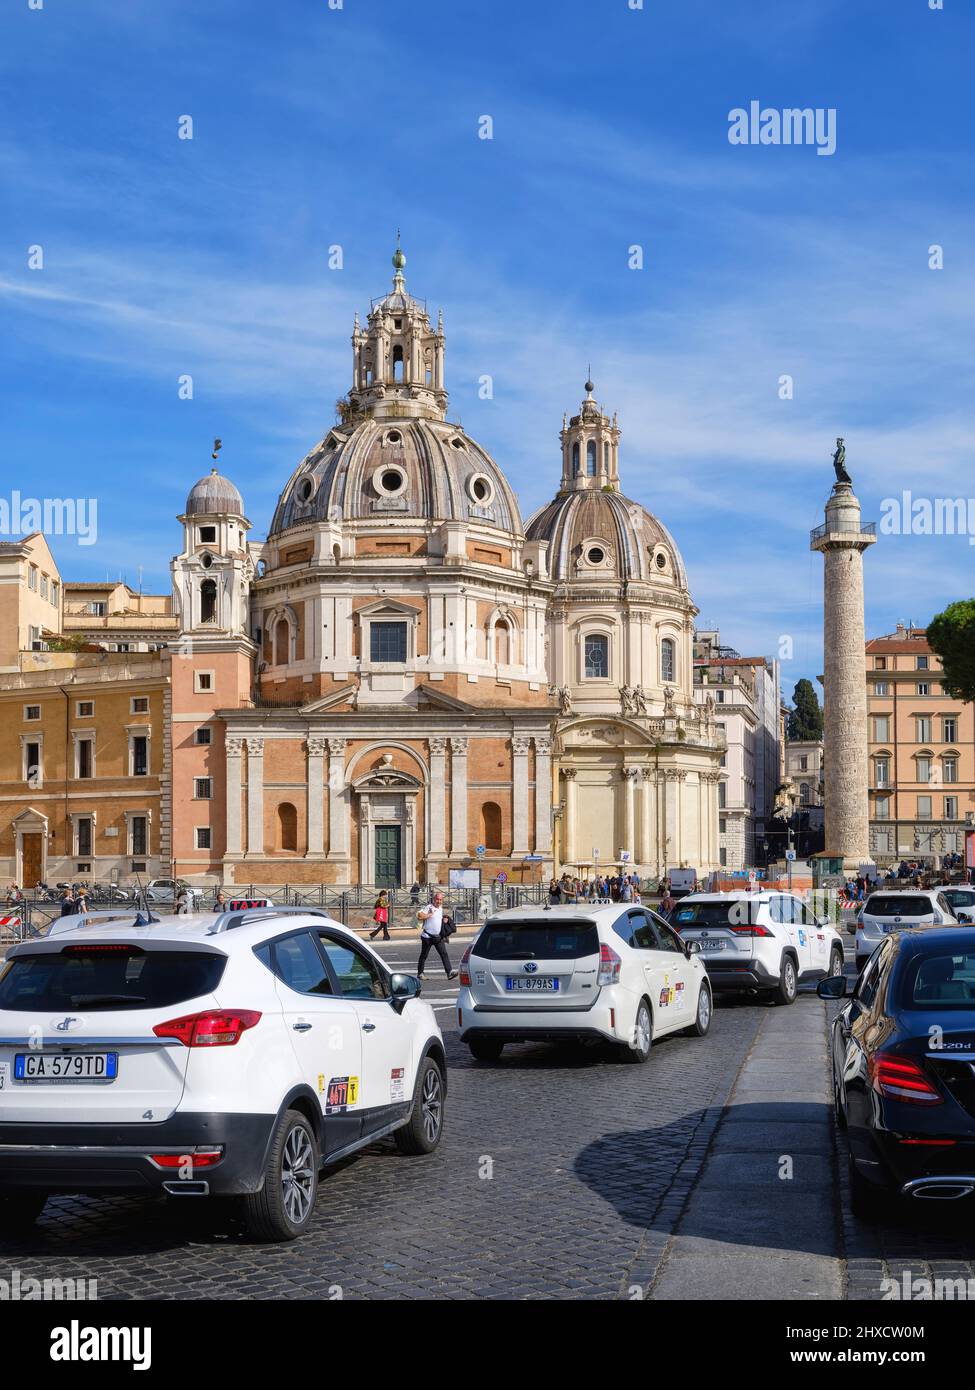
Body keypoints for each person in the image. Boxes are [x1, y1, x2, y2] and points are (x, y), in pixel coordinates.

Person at [416, 892, 457, 980]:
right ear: (434, 900)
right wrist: (429, 915)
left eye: (440, 899)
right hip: (427, 937)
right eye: (437, 899)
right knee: (424, 955)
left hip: (437, 937)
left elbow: (437, 919)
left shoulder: (440, 908)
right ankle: (420, 973)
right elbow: (419, 916)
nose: (439, 901)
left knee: (444, 954)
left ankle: (449, 972)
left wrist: (444, 920)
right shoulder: (429, 907)